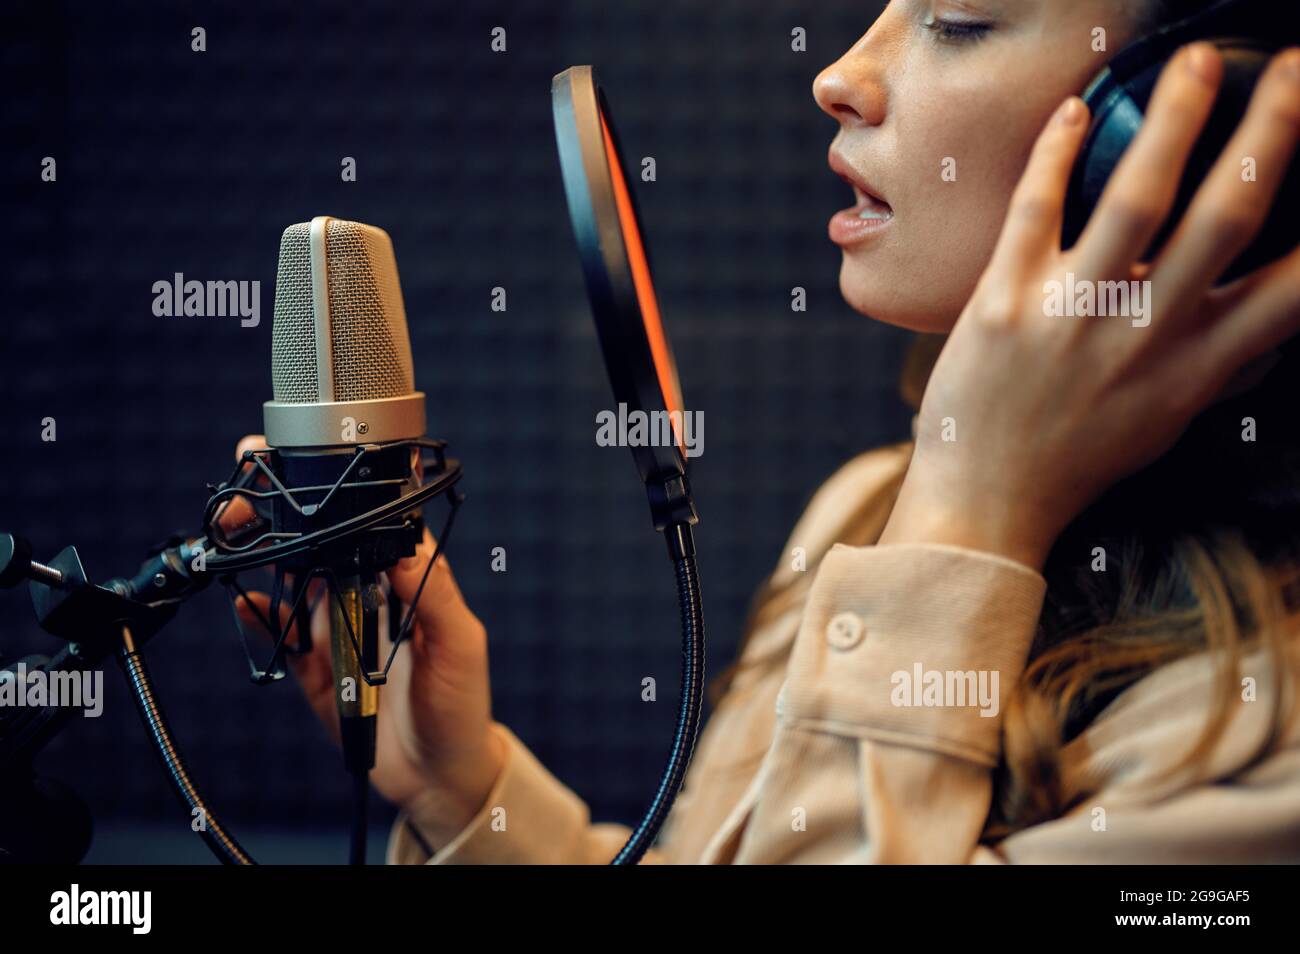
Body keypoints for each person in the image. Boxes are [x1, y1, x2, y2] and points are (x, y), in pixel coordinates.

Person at [238, 0, 1300, 863]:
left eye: (959, 20)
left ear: (1187, 136)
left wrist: (972, 506)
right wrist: (463, 787)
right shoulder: (869, 506)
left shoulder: (1271, 732)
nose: (836, 73)